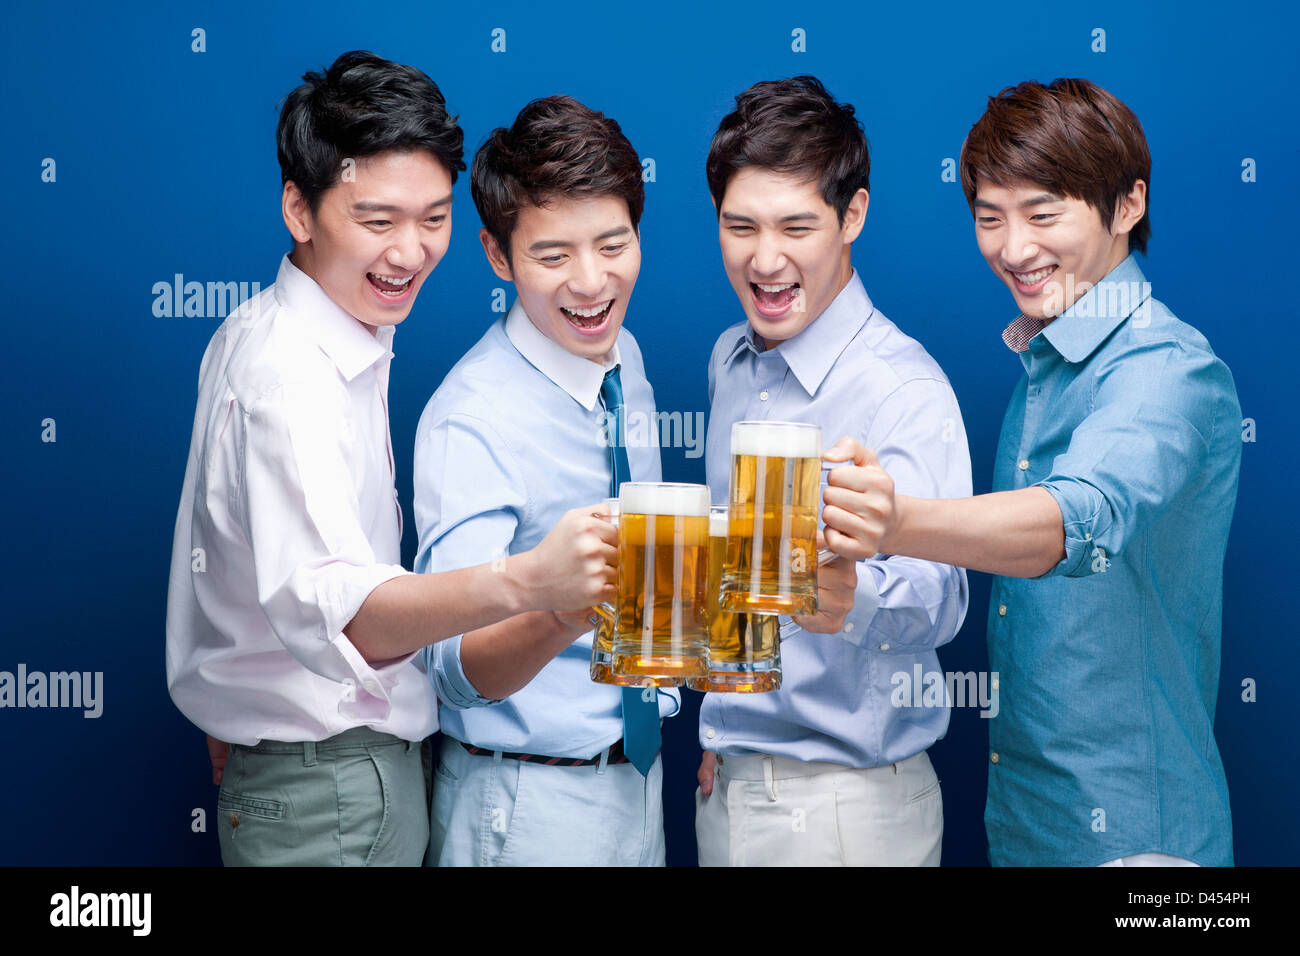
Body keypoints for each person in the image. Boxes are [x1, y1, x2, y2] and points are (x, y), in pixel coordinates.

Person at [165, 52, 614, 867]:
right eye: (377, 221)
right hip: (333, 791)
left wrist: (242, 701)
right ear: (299, 209)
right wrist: (530, 583)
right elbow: (350, 619)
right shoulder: (290, 373)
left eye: (433, 217)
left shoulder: (280, 330)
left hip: (322, 775)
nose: (410, 251)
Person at [854, 78, 1239, 866]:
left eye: (1042, 212)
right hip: (1030, 827)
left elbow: (1074, 520)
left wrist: (897, 523)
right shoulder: (1049, 360)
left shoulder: (1168, 369)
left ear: (1128, 205)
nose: (1013, 247)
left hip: (1140, 844)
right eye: (989, 218)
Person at [693, 75, 972, 866]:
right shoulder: (729, 360)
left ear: (853, 216)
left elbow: (942, 598)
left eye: (796, 227)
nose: (765, 258)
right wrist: (729, 731)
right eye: (739, 226)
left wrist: (845, 597)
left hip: (848, 809)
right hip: (736, 791)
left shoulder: (902, 386)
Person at [414, 95, 676, 866]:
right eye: (552, 255)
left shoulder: (624, 357)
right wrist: (561, 608)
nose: (591, 282)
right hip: (523, 806)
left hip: (636, 785)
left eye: (613, 243)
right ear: (499, 257)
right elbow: (454, 667)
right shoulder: (473, 416)